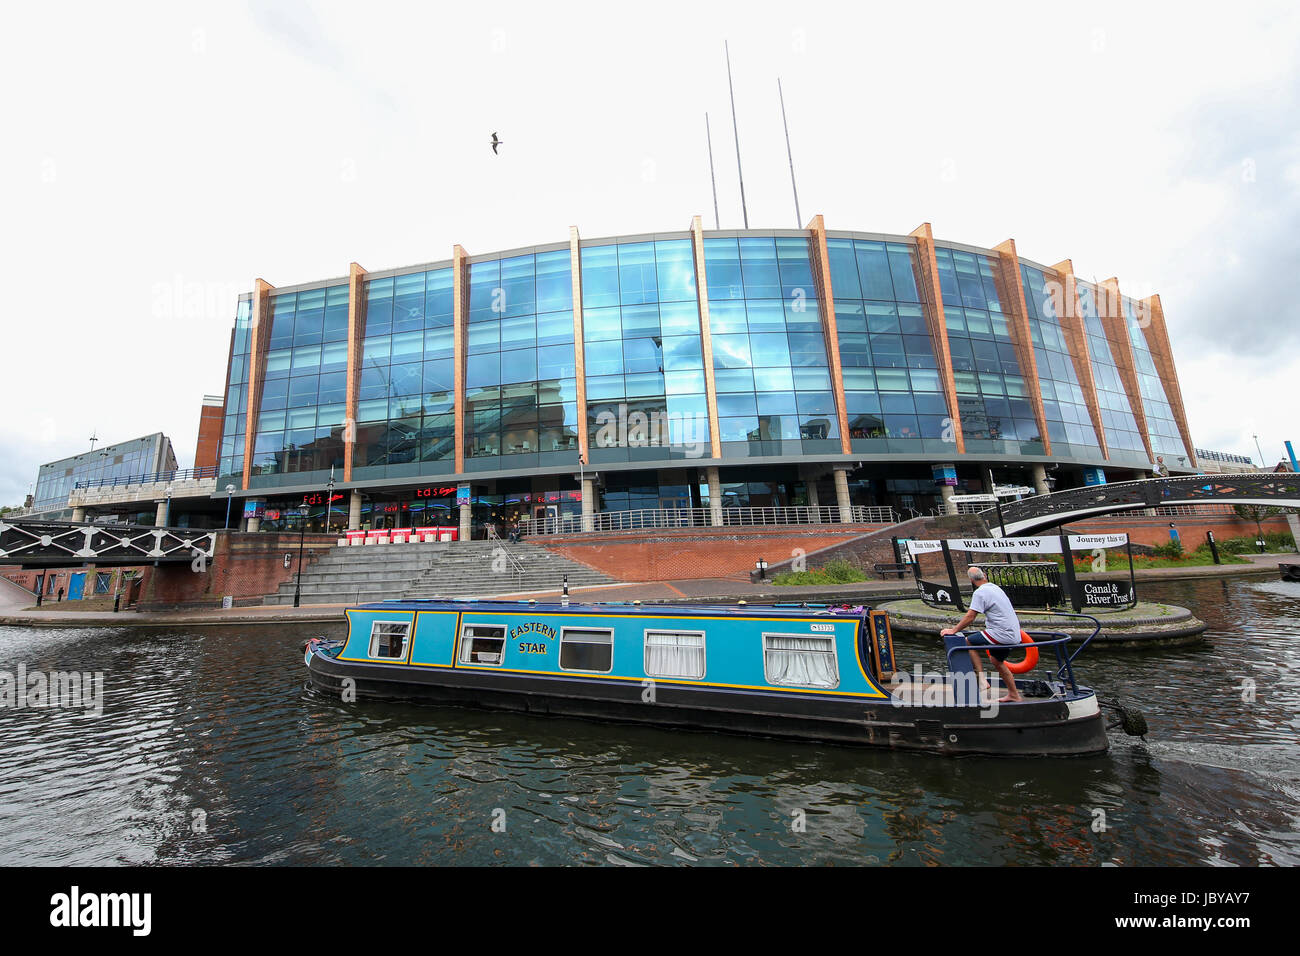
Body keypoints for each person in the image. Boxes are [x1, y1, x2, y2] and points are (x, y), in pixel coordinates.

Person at [939, 566, 1024, 702]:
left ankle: (982, 680)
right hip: (1013, 633)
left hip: (1001, 633)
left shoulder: (980, 593)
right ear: (984, 575)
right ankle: (1014, 694)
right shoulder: (995, 588)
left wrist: (953, 630)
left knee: (968, 642)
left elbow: (970, 616)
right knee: (996, 661)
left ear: (971, 580)